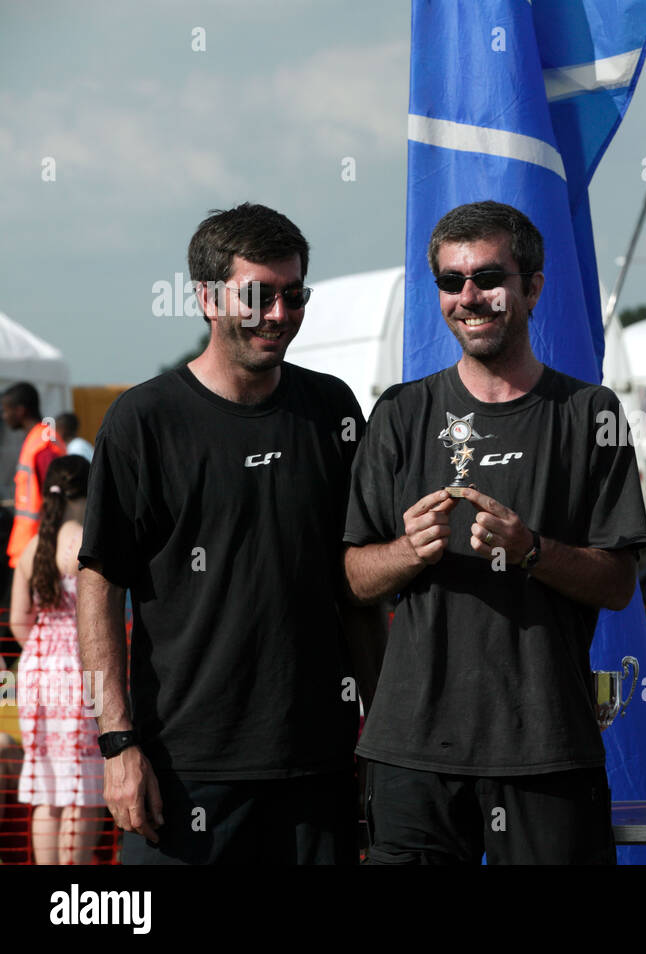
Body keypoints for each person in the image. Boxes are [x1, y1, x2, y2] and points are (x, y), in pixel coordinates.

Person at [342, 200, 646, 865]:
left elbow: (620, 583)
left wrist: (530, 550)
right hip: (412, 750)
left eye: (488, 277)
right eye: (452, 282)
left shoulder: (591, 413)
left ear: (532, 287)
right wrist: (407, 552)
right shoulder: (399, 413)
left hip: (545, 747)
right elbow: (356, 577)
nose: (469, 297)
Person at [77, 203, 379, 864]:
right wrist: (118, 744)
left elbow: (355, 587)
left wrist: (379, 734)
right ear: (207, 298)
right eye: (258, 296)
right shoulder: (144, 421)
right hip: (184, 773)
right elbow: (98, 586)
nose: (279, 313)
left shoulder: (332, 410)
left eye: (293, 294)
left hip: (318, 769)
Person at [9, 456, 105, 863]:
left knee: (46, 785)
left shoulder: (34, 546)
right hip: (86, 671)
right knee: (83, 788)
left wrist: (46, 652)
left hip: (36, 671)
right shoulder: (91, 541)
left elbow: (18, 621)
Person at [4, 383, 64, 570]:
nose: (4, 416)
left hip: (38, 550)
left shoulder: (42, 445)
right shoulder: (36, 439)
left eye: (6, 411)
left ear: (20, 411)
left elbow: (55, 498)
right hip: (31, 547)